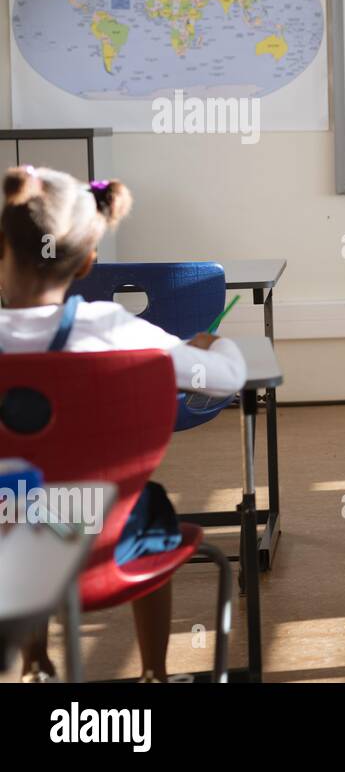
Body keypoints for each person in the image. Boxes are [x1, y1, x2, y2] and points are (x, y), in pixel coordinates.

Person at [0, 166, 246, 682]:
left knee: (23, 498)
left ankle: (34, 661)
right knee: (146, 499)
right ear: (90, 261)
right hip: (107, 545)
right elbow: (224, 380)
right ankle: (154, 672)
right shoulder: (114, 331)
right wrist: (212, 344)